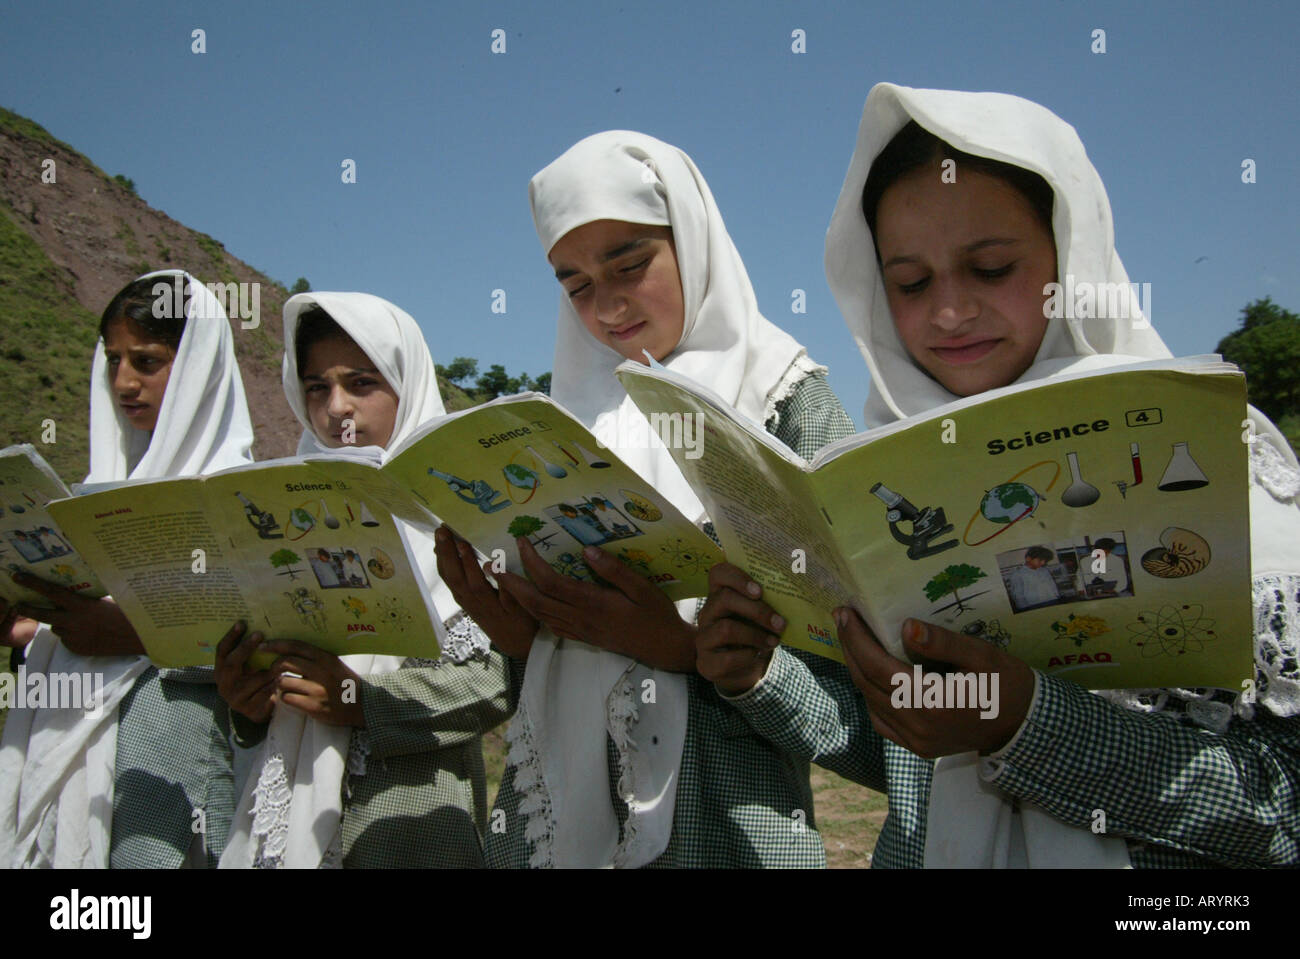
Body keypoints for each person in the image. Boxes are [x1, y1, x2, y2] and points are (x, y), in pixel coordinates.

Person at [704, 83, 1300, 866]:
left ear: (1069, 253)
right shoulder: (872, 478)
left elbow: (1281, 804)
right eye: (911, 283)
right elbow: (907, 770)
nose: (949, 312)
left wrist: (1028, 725)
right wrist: (758, 674)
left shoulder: (1222, 463)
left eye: (990, 267)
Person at [435, 130, 857, 868]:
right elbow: (548, 664)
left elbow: (851, 655)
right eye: (575, 285)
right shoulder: (567, 425)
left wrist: (689, 650)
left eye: (631, 263)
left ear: (691, 240)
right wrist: (521, 634)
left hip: (728, 816)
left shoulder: (781, 399)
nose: (607, 305)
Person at [216, 292, 511, 868]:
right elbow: (272, 694)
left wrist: (362, 701)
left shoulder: (460, 515)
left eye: (361, 383)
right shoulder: (277, 516)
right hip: (287, 814)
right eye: (317, 388)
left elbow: (499, 681)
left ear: (408, 382)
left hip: (415, 825)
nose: (337, 408)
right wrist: (246, 705)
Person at [0, 270, 254, 868]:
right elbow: (79, 629)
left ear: (198, 367)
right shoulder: (90, 498)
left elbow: (263, 637)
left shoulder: (240, 498)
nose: (123, 382)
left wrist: (130, 633)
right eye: (112, 359)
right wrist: (29, 628)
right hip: (67, 758)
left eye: (147, 360)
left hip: (175, 764)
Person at [1004, 545, 1060, 610]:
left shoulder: (1044, 571)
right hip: (1035, 606)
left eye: (1045, 560)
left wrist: (1057, 597)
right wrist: (1026, 610)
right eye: (1040, 560)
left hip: (1053, 601)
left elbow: (1053, 586)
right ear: (1028, 558)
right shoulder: (1018, 574)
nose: (1043, 563)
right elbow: (1018, 596)